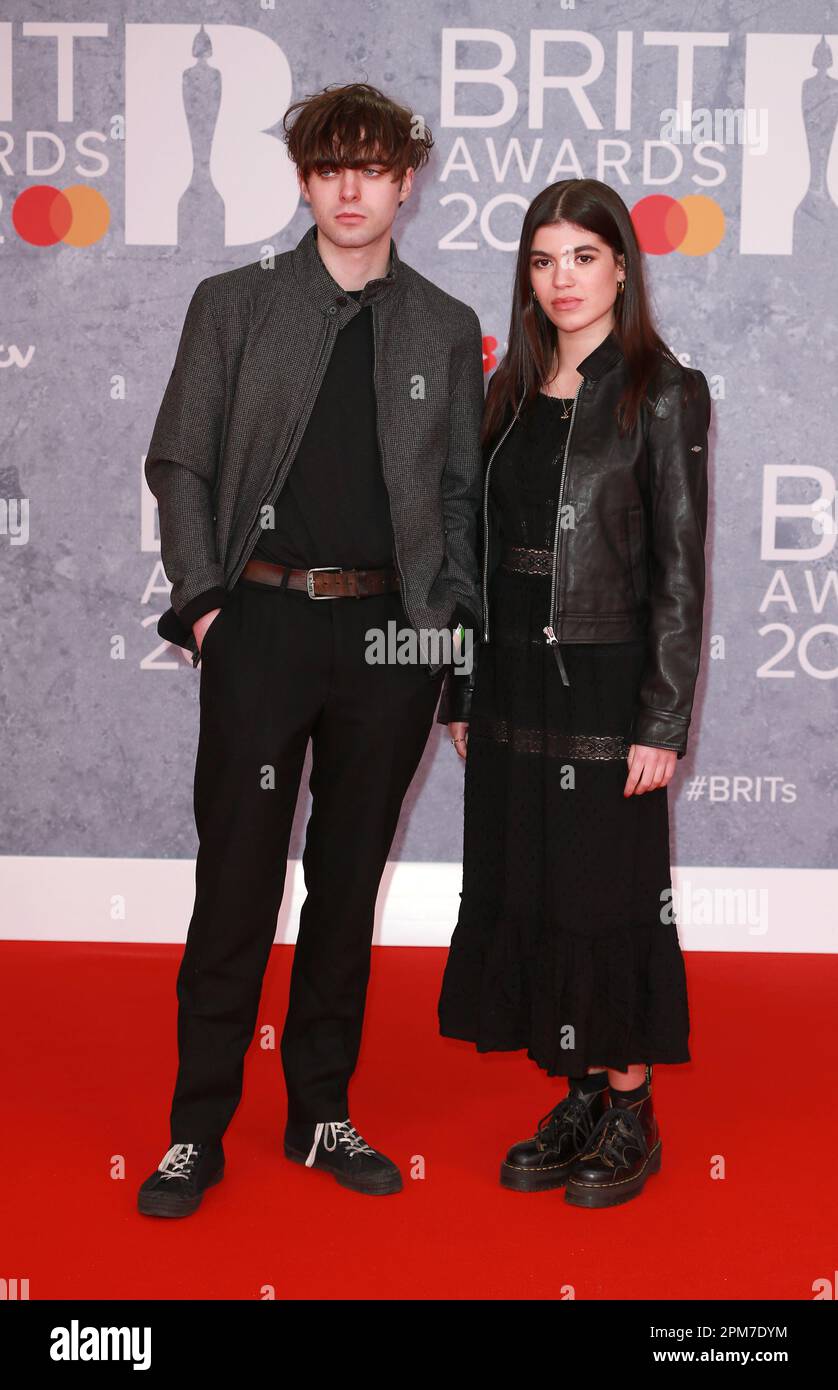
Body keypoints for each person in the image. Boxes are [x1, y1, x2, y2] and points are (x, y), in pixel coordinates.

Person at [138, 82, 483, 1216]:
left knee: (346, 887)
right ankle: (196, 1129)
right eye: (328, 165)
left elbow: (458, 500)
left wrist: (448, 653)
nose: (349, 186)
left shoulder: (440, 322)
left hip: (391, 638)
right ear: (301, 181)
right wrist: (204, 605)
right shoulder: (235, 303)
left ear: (404, 182)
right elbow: (180, 460)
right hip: (264, 623)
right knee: (234, 879)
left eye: (370, 167)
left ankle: (320, 1114)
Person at [437, 177, 711, 1209]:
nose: (562, 279)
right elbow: (469, 554)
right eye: (543, 260)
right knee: (534, 883)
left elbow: (680, 571)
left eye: (583, 258)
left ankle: (631, 1105)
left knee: (603, 891)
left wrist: (662, 718)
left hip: (603, 682)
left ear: (620, 268)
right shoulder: (503, 389)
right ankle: (581, 1091)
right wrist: (459, 687)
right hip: (510, 682)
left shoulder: (663, 391)